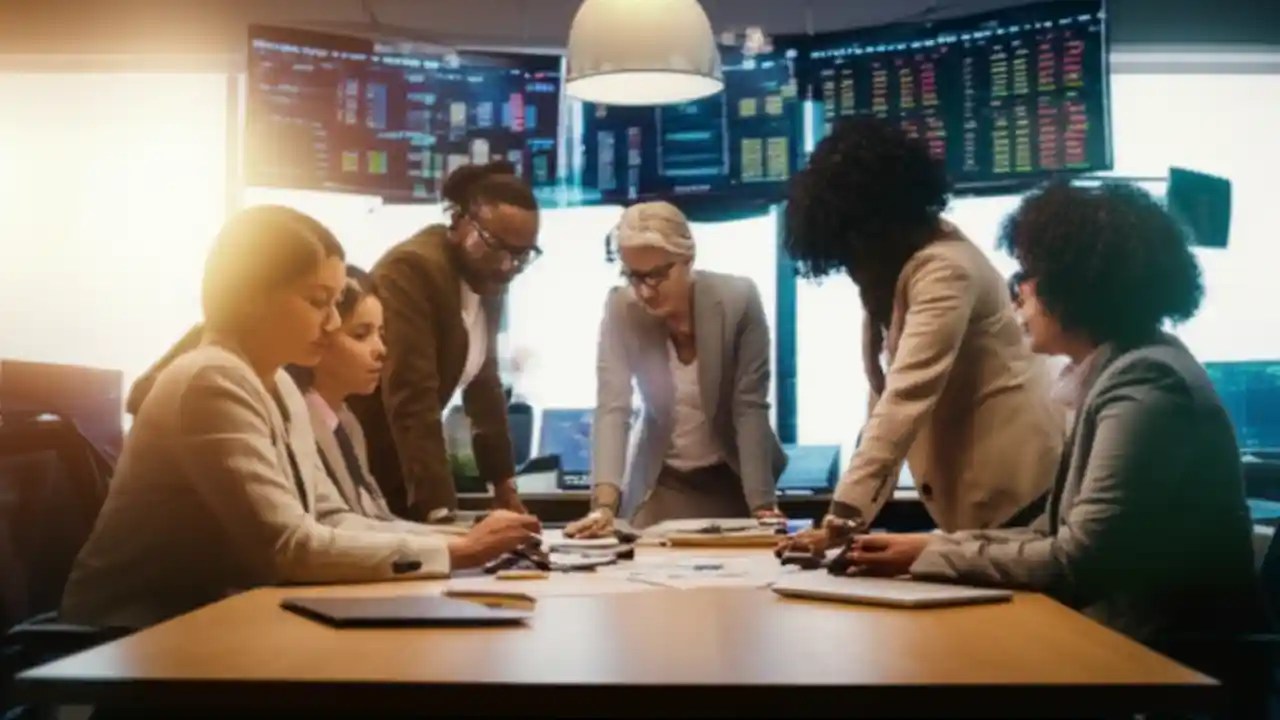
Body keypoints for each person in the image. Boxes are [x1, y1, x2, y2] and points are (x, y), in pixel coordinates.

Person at [842, 183, 1265, 705]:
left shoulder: (1146, 385)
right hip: (1124, 644)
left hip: (1161, 665)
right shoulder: (1121, 370)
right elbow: (1049, 532)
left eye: (1028, 276)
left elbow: (1076, 562)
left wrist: (931, 553)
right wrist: (929, 548)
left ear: (1077, 285)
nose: (1017, 293)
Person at [61, 206, 540, 629]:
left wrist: (467, 539)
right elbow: (287, 548)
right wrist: (459, 551)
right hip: (129, 640)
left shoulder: (280, 385)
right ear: (251, 295)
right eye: (318, 301)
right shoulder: (211, 379)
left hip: (210, 625)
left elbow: (332, 519)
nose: (331, 323)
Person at [778, 118, 1064, 553]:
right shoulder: (898, 270)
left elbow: (905, 397)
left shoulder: (945, 268)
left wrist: (844, 516)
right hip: (983, 507)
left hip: (1018, 499)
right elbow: (884, 403)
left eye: (851, 253)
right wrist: (846, 520)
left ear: (876, 227)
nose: (852, 270)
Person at [565, 202, 787, 536]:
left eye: (655, 276)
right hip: (665, 480)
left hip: (734, 476)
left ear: (688, 259)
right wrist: (604, 506)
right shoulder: (622, 309)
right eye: (633, 276)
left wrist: (763, 505)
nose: (644, 291)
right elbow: (613, 406)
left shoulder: (737, 301)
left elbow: (749, 407)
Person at [351, 161, 538, 524]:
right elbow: (412, 396)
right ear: (459, 220)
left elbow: (484, 386)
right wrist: (439, 512)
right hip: (373, 463)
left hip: (408, 467)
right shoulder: (412, 269)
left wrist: (504, 488)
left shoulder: (487, 279)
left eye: (522, 255)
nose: (507, 266)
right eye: (496, 246)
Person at [284, 265, 432, 525]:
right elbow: (337, 527)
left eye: (381, 334)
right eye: (361, 335)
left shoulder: (347, 423)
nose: (381, 349)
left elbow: (378, 519)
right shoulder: (296, 422)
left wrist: (465, 538)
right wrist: (461, 543)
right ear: (319, 336)